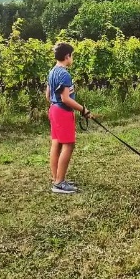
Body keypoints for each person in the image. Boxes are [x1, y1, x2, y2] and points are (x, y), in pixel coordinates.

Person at [46, 42, 94, 194]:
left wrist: (56, 104)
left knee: (56, 144)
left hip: (53, 109)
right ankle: (59, 183)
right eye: (72, 56)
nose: (72, 58)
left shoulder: (52, 71)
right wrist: (83, 109)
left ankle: (57, 178)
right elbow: (66, 99)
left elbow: (48, 95)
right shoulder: (65, 74)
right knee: (68, 145)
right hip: (62, 111)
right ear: (67, 56)